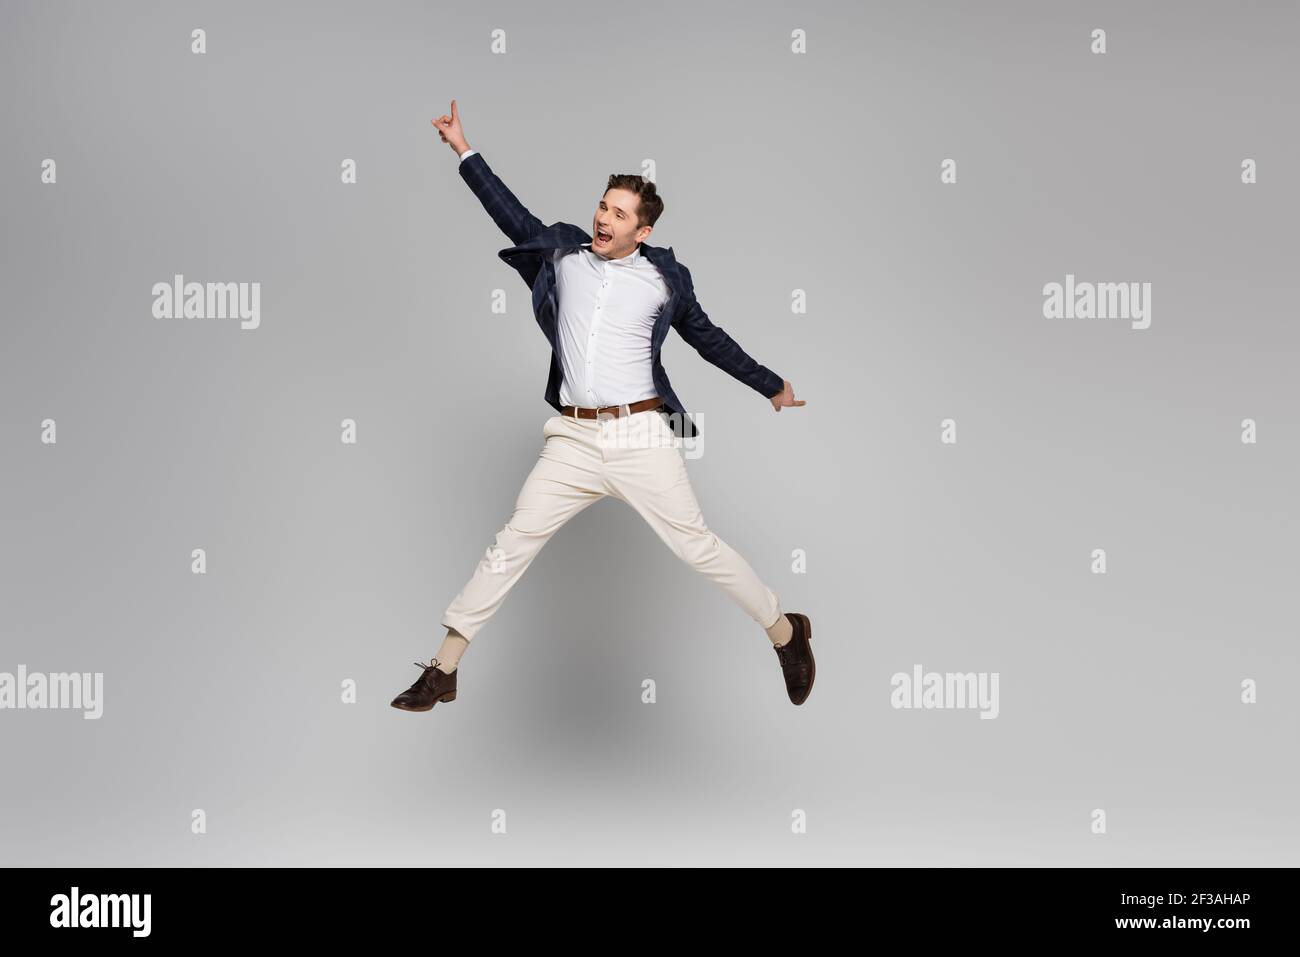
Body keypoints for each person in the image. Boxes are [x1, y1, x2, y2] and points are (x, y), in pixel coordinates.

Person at [391, 100, 814, 712]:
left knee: (697, 545)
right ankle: (443, 669)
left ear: (643, 231)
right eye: (602, 205)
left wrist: (771, 385)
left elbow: (709, 338)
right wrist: (464, 148)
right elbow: (508, 213)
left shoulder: (664, 279)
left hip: (642, 434)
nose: (603, 217)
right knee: (510, 544)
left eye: (619, 213)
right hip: (572, 438)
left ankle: (785, 631)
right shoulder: (562, 254)